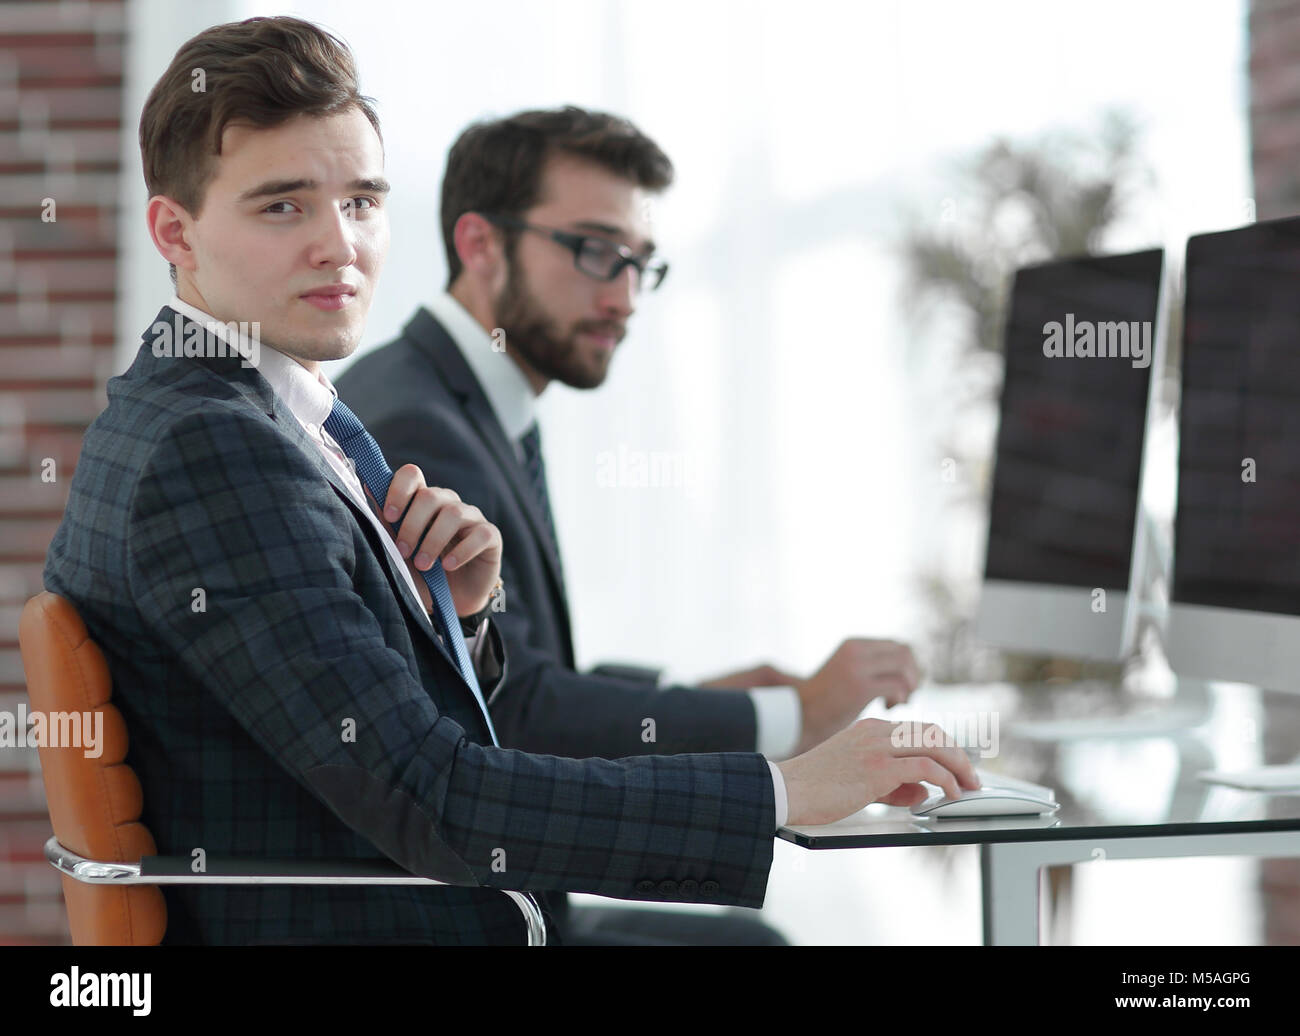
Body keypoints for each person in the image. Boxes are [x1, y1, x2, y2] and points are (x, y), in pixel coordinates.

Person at [43, 16, 977, 946]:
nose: (342, 245)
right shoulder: (215, 448)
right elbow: (431, 792)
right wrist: (786, 786)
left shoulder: (247, 411)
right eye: (284, 205)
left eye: (363, 201)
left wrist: (461, 616)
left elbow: (374, 723)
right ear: (176, 231)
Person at [335, 107, 930, 942]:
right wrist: (793, 715)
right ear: (479, 244)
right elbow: (520, 715)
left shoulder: (472, 400)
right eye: (594, 251)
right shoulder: (421, 427)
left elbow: (516, 672)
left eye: (640, 266)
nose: (622, 297)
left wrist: (721, 698)